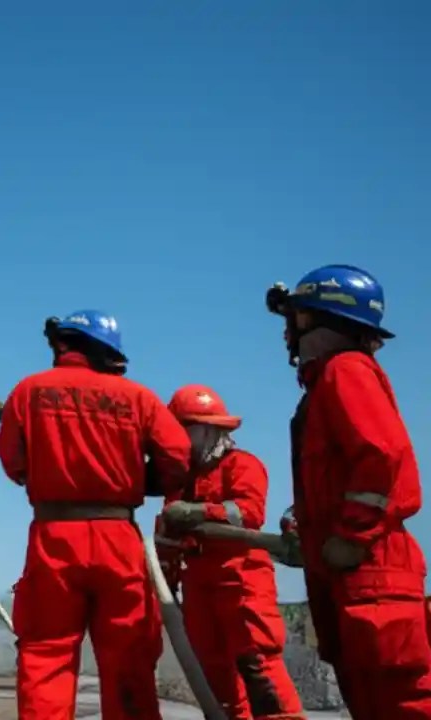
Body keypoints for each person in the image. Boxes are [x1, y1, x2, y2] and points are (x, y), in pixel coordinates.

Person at [0, 310, 192, 720]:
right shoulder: (139, 398)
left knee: (46, 653)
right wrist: (138, 479)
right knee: (129, 655)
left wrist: (51, 469)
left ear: (67, 344)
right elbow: (177, 457)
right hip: (117, 538)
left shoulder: (28, 391)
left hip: (53, 537)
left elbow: (13, 463)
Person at [266, 264, 431, 719]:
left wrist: (351, 534)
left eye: (293, 321)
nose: (287, 336)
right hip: (353, 575)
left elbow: (382, 457)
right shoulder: (325, 388)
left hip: (373, 571)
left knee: (399, 707)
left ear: (315, 321)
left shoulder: (347, 371)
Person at [154, 384, 304, 720]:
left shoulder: (243, 465)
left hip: (241, 581)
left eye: (181, 431)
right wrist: (166, 585)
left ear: (205, 430)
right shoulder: (181, 481)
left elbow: (249, 513)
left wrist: (200, 513)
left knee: (259, 669)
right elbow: (168, 539)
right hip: (198, 586)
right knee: (215, 680)